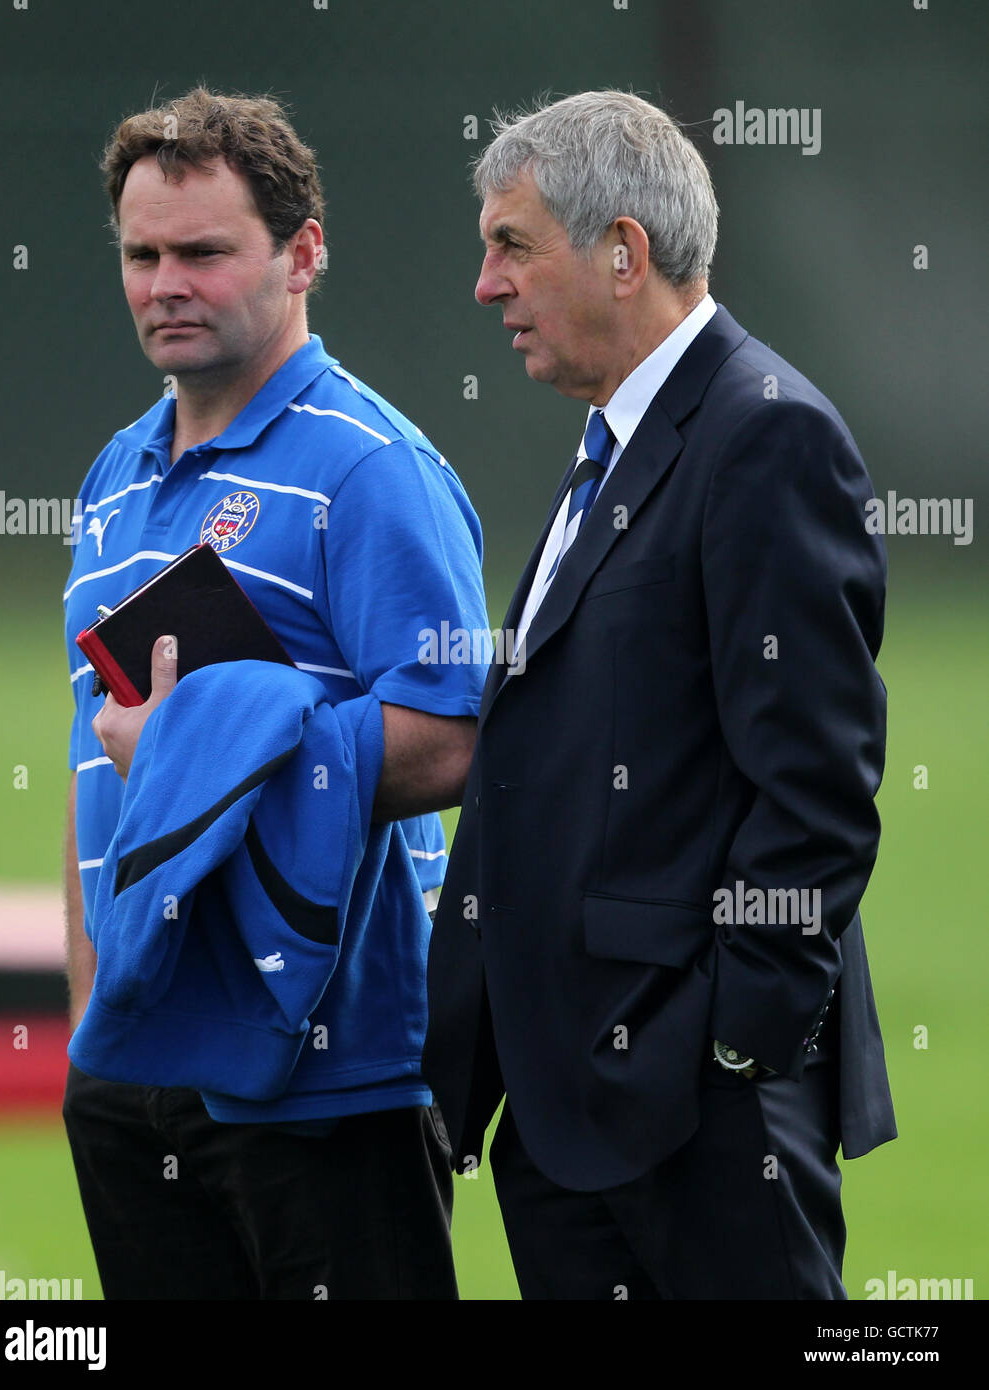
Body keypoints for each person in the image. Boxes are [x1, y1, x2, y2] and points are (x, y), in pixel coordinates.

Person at [422, 90, 896, 1300]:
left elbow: (815, 789)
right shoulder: (613, 448)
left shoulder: (764, 436)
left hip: (695, 1122)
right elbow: (534, 767)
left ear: (621, 251)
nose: (486, 284)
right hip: (564, 1112)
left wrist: (732, 1049)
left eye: (511, 244)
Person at [62, 87, 489, 1300]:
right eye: (141, 255)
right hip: (136, 1062)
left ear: (303, 254)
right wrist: (94, 1013)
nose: (163, 284)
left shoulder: (371, 467)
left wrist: (201, 746)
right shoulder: (112, 476)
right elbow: (99, 758)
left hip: (325, 1063)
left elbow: (453, 735)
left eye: (202, 252)